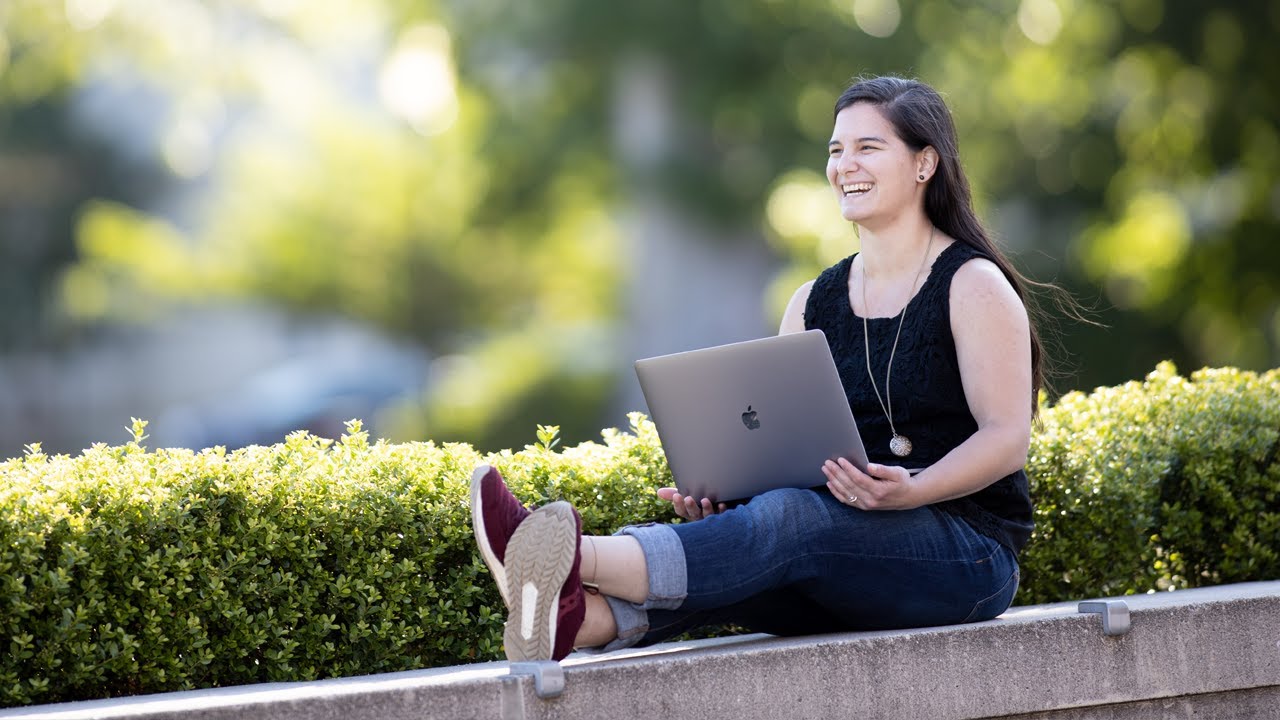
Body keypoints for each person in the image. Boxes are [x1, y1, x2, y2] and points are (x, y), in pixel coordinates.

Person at [469, 75, 1044, 662]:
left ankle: (562, 553)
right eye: (835, 149)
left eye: (868, 147)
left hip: (966, 555)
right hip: (837, 542)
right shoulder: (811, 302)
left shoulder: (972, 284)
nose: (846, 164)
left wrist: (911, 490)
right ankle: (574, 620)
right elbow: (784, 448)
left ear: (925, 164)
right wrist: (731, 496)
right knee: (748, 555)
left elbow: (1007, 438)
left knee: (792, 521)